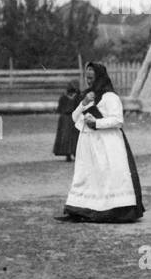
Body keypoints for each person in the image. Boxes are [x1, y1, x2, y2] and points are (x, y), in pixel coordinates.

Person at [61, 62, 144, 223]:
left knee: (108, 175)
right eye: (87, 77)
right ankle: (84, 208)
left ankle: (113, 209)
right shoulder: (87, 96)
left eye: (92, 78)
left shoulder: (110, 97)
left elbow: (118, 120)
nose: (89, 81)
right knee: (88, 175)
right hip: (88, 143)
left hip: (107, 143)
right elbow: (74, 117)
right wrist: (84, 103)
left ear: (99, 77)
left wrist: (97, 123)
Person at [53, 82, 80, 161]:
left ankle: (67, 154)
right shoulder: (77, 97)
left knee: (65, 136)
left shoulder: (63, 97)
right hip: (74, 118)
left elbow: (59, 109)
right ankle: (75, 153)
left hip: (64, 119)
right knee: (74, 137)